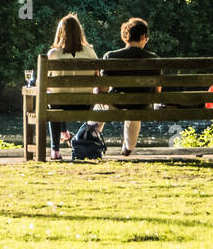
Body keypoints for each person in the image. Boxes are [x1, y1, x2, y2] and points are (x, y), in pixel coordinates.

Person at [101, 17, 160, 157]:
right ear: (143, 37)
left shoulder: (111, 56)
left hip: (117, 103)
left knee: (99, 103)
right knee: (135, 108)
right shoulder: (154, 59)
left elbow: (102, 89)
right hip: (142, 104)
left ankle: (91, 135)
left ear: (125, 37)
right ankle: (127, 148)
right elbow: (157, 91)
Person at [46, 13, 98, 160]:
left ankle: (55, 151)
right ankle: (65, 133)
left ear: (60, 33)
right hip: (85, 105)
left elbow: (42, 84)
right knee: (59, 98)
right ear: (79, 32)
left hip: (59, 105)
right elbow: (97, 78)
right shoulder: (90, 52)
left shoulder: (53, 54)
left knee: (55, 100)